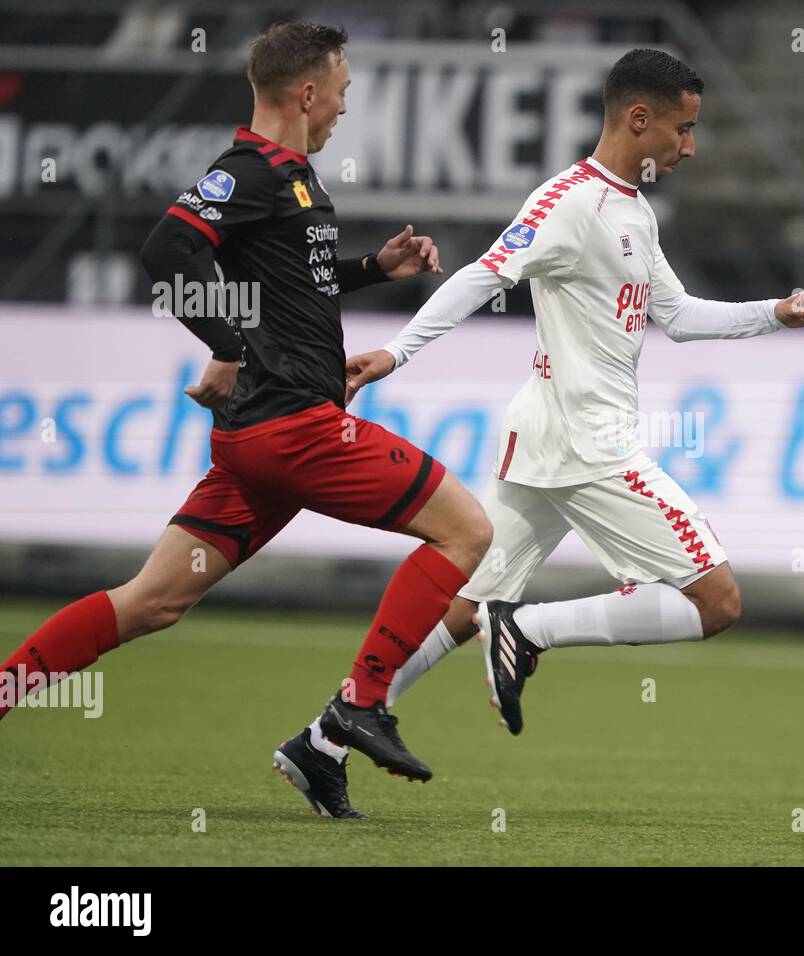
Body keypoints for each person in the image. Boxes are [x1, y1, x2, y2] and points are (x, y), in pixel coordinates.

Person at [286, 48, 804, 809]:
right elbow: (486, 272)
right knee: (716, 601)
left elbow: (674, 316)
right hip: (590, 442)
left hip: (547, 440)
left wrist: (775, 311)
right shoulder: (568, 203)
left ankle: (323, 738)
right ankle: (534, 630)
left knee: (462, 604)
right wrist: (397, 352)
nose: (691, 147)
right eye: (684, 130)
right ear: (638, 119)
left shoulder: (634, 210)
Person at [0, 21, 493, 821]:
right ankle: (357, 707)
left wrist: (376, 268)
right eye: (340, 89)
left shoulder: (294, 179)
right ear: (306, 93)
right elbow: (166, 250)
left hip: (254, 445)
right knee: (468, 534)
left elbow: (292, 288)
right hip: (295, 430)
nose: (343, 104)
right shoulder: (252, 170)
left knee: (152, 600)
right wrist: (225, 346)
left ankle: (4, 694)